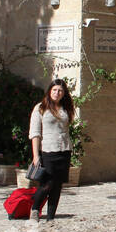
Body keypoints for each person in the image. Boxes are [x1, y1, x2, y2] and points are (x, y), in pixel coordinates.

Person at [28, 79, 77, 221]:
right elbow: (35, 133)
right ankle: (35, 209)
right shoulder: (40, 108)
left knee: (57, 186)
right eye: (54, 90)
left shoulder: (65, 108)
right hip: (48, 151)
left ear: (64, 93)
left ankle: (51, 218)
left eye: (60, 91)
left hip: (64, 150)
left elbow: (66, 129)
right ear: (50, 91)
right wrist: (36, 155)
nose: (57, 93)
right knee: (47, 184)